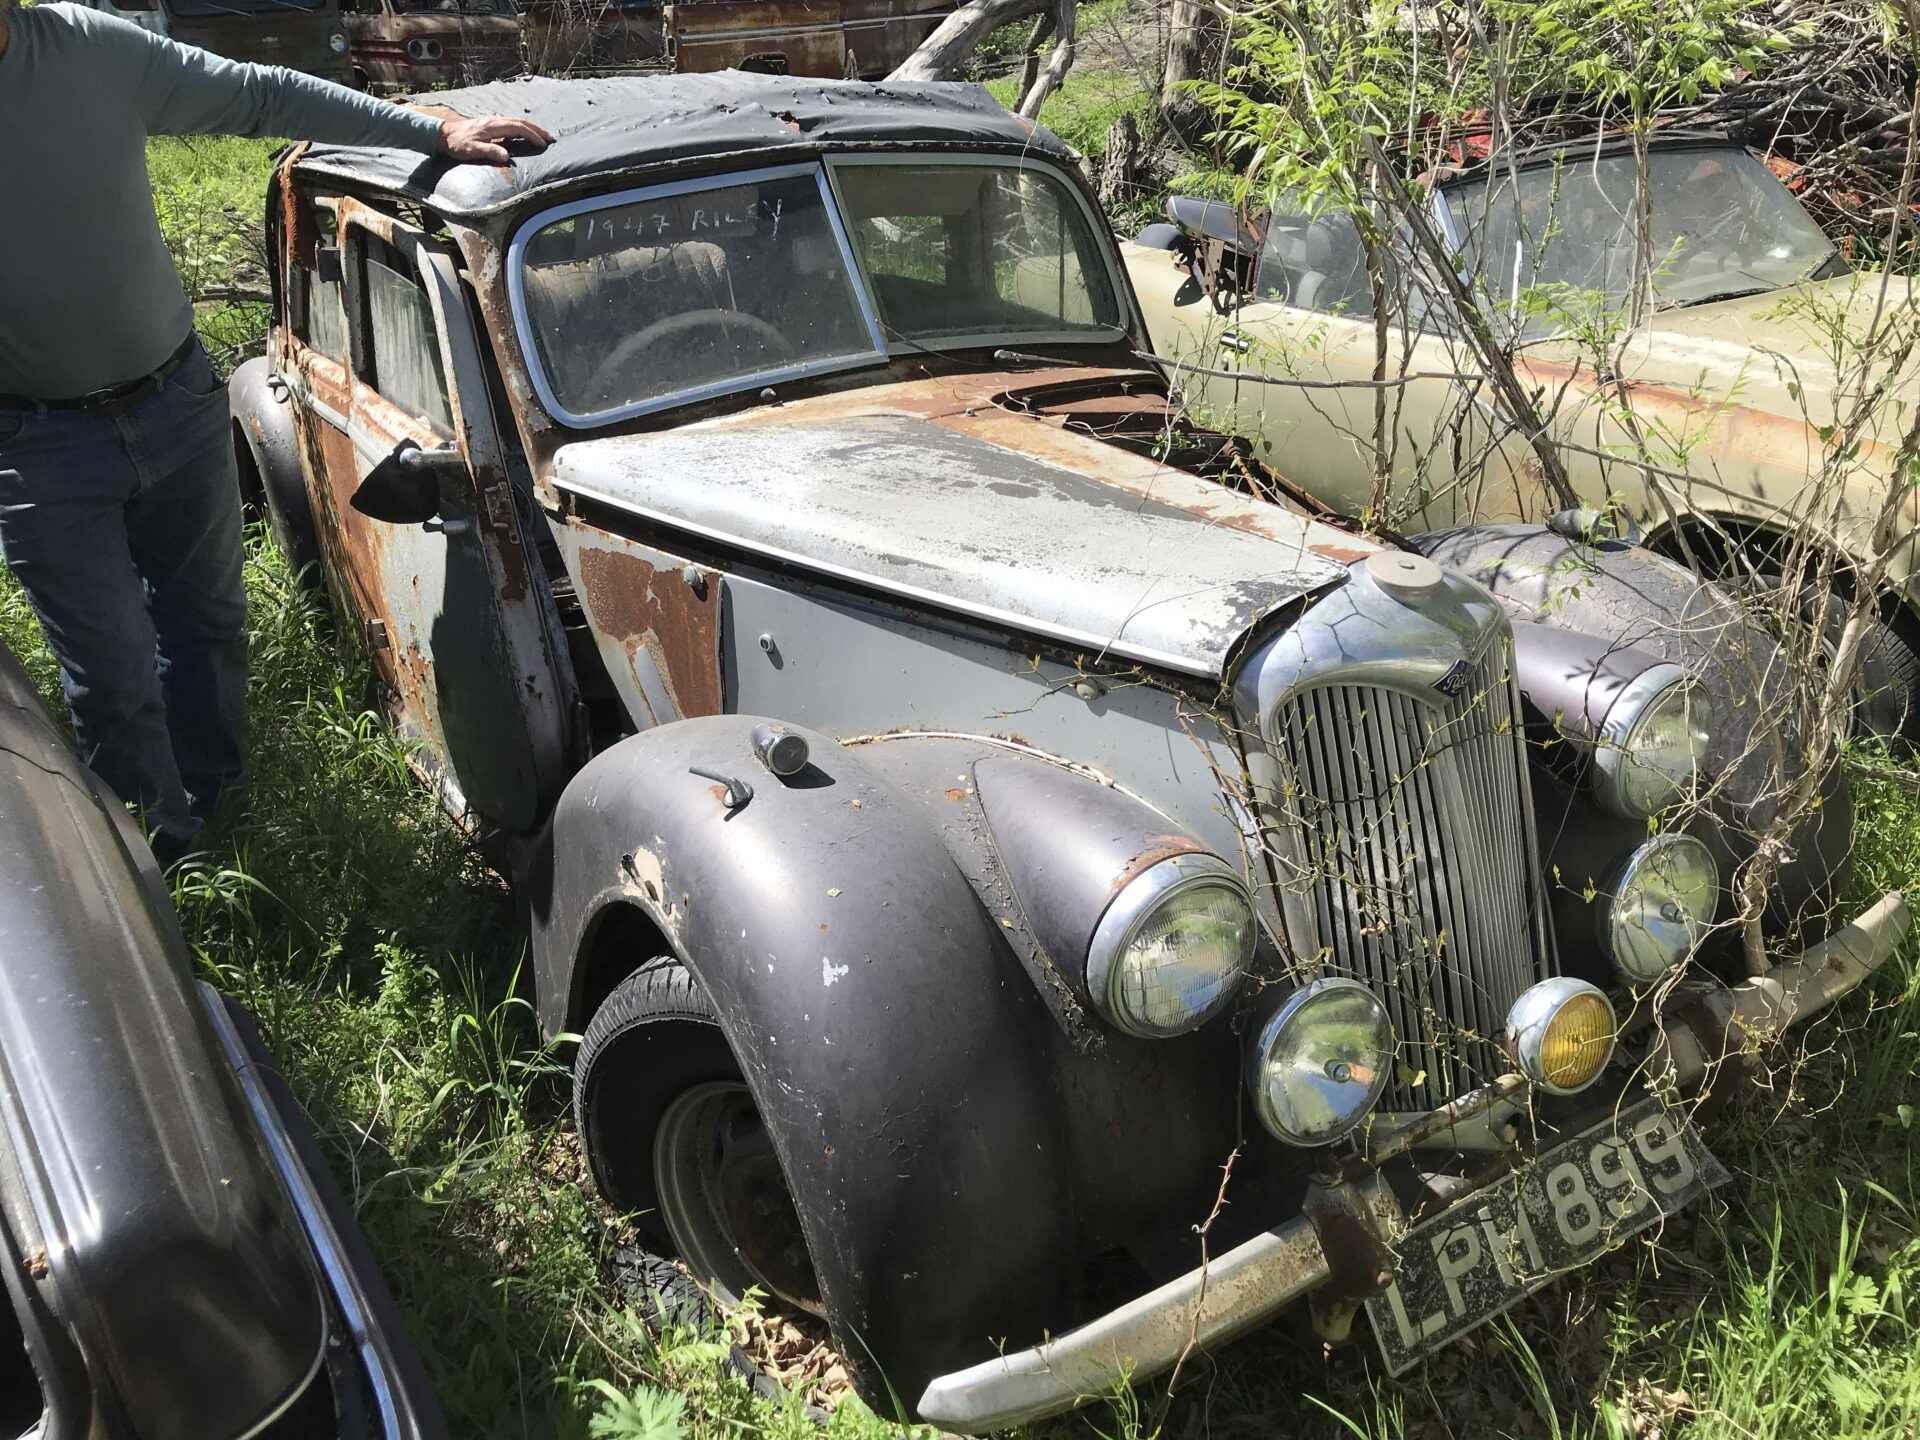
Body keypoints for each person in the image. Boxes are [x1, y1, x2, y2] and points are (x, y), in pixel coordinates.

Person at [0, 1, 554, 862]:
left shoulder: (82, 48)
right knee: (110, 677)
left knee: (208, 627)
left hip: (174, 399)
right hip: (37, 445)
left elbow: (258, 94)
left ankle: (223, 816)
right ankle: (164, 871)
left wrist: (429, 134)